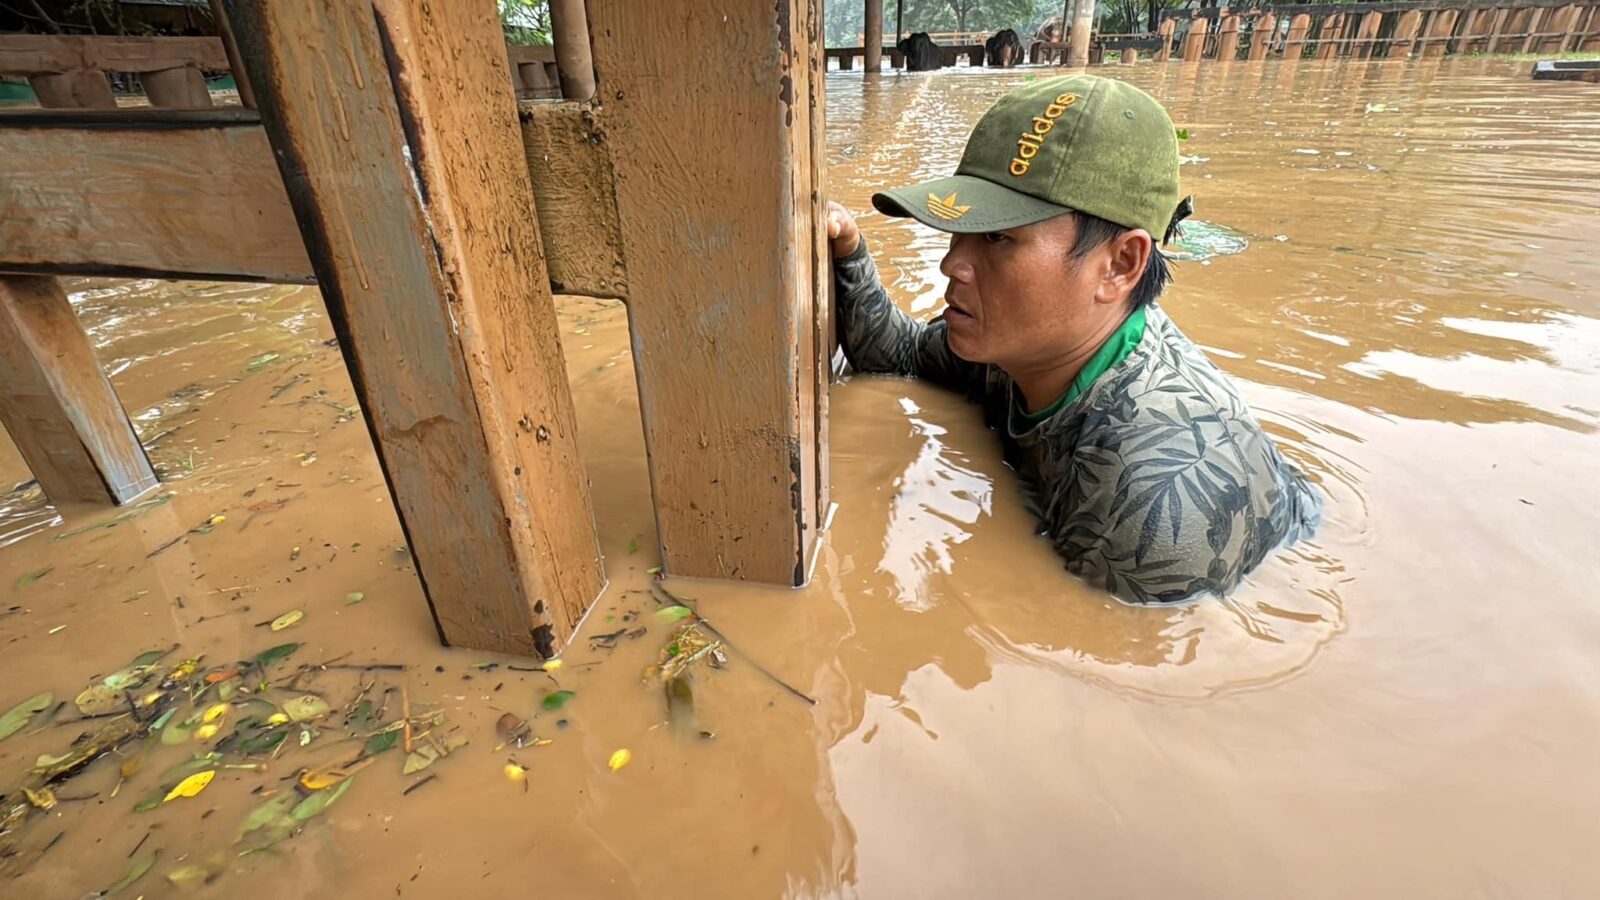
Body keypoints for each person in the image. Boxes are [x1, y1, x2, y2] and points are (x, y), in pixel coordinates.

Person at [827, 74, 1321, 604]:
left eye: (997, 237)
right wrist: (849, 250)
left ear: (1120, 265)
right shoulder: (1023, 342)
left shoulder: (1156, 507)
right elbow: (899, 356)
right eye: (962, 230)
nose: (953, 263)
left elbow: (1119, 659)